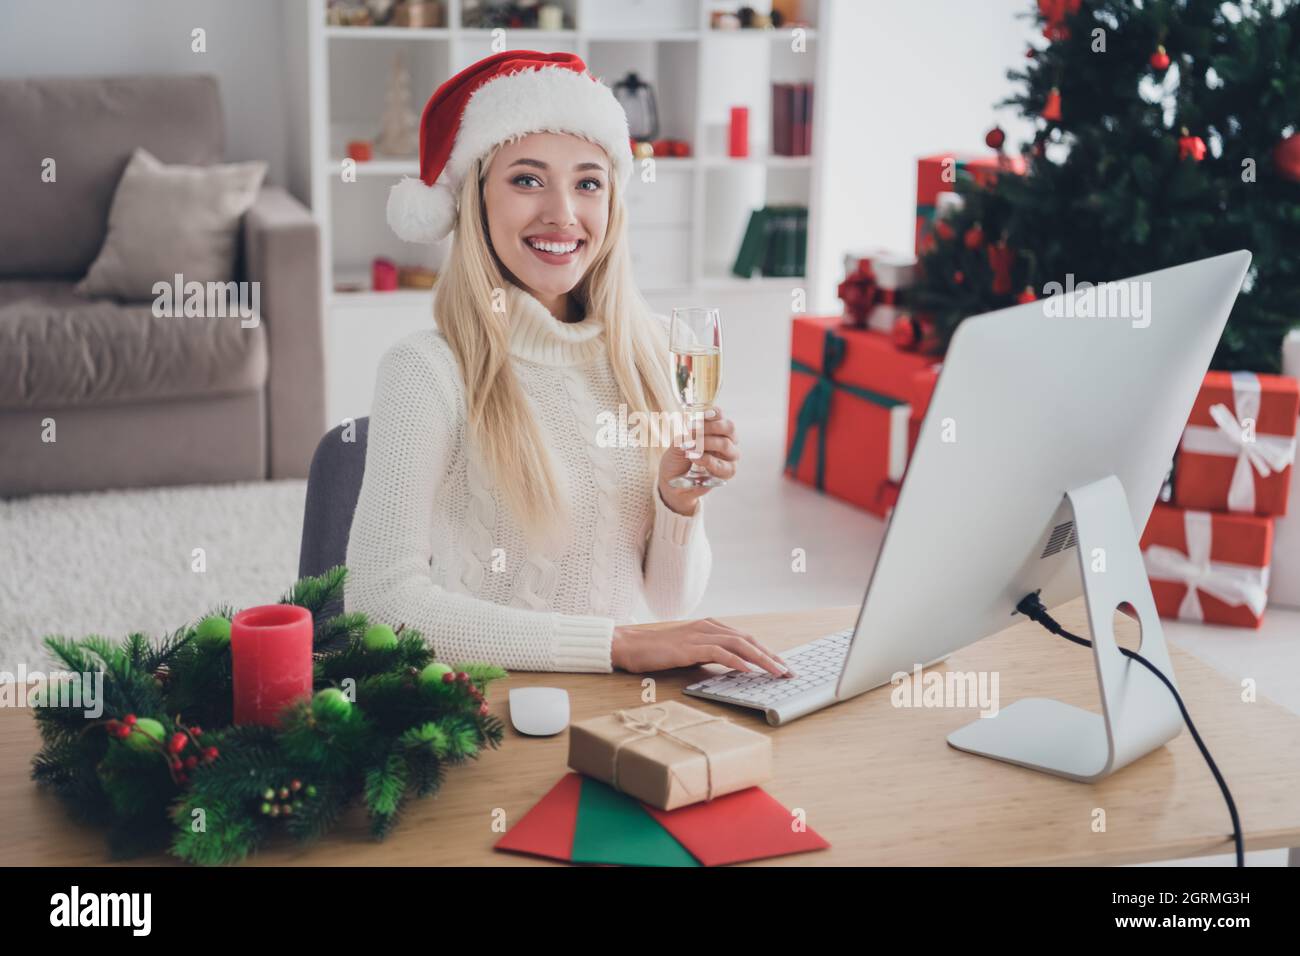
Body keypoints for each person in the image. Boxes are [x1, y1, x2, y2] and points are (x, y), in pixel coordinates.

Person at [344, 51, 791, 679]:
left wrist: (677, 503)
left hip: (620, 700)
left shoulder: (656, 352)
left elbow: (670, 603)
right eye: (527, 180)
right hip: (489, 704)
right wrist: (611, 646)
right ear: (475, 200)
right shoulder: (427, 372)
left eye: (588, 183)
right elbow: (378, 605)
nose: (563, 213)